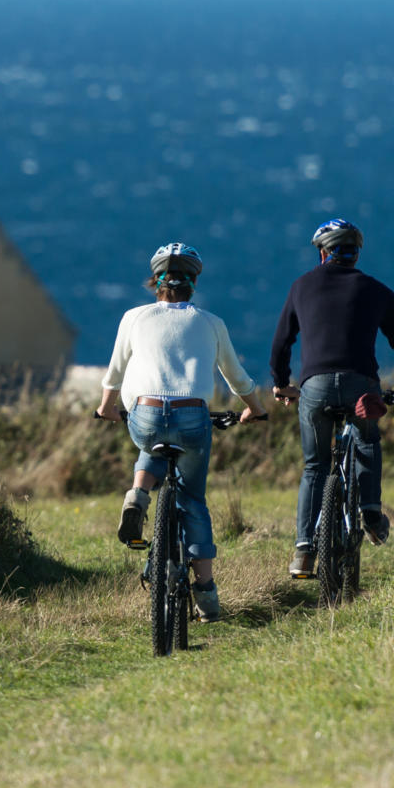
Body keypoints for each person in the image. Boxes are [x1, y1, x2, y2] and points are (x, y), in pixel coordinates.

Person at [97, 243, 271, 622]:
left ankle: (139, 494)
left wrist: (107, 408)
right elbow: (237, 378)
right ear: (193, 283)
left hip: (144, 412)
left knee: (149, 441)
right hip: (193, 417)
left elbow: (114, 372)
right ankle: (206, 594)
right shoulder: (210, 322)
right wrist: (254, 410)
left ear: (154, 283)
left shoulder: (133, 317)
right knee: (192, 499)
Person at [268, 218, 394, 580]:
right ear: (355, 253)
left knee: (315, 466)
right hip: (362, 389)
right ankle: (371, 514)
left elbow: (281, 343)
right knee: (368, 440)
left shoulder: (301, 287)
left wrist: (281, 384)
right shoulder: (376, 290)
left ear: (323, 253)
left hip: (315, 389)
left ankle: (304, 550)